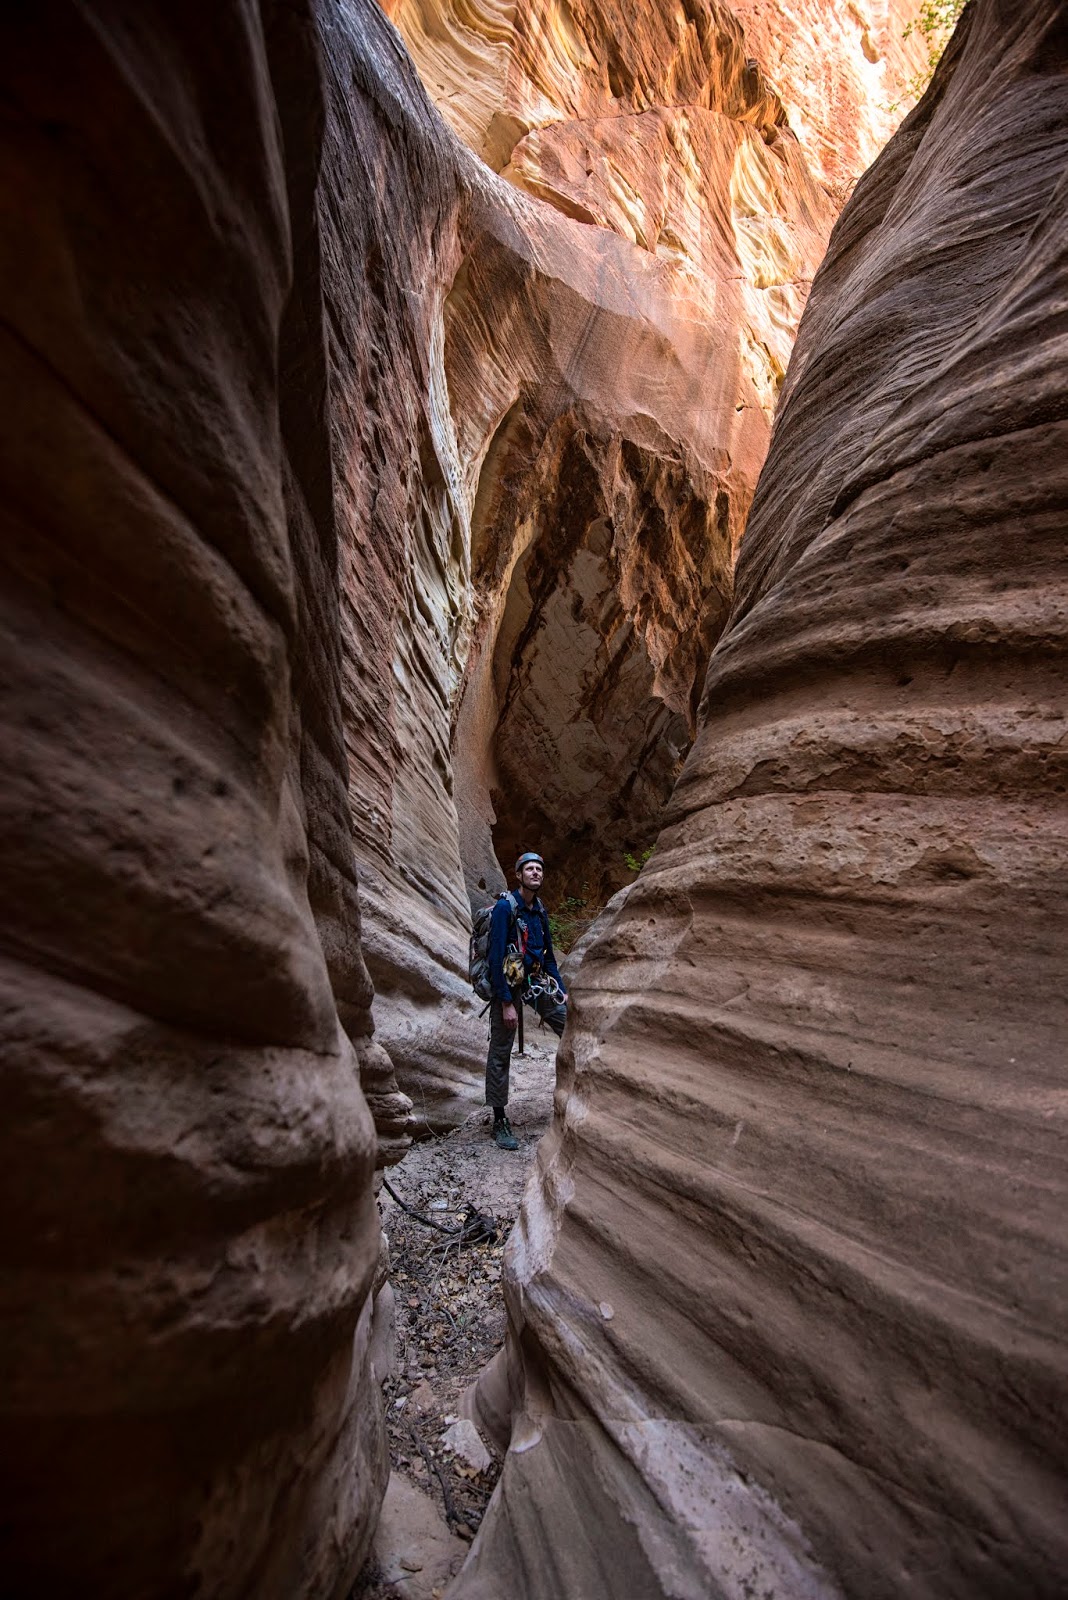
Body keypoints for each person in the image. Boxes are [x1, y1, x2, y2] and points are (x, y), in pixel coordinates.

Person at [485, 851, 568, 1150]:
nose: (535, 873)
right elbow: (495, 959)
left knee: (568, 1022)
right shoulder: (505, 909)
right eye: (529, 869)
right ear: (518, 875)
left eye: (539, 869)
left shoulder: (540, 911)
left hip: (534, 980)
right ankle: (498, 1119)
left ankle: (574, 1093)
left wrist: (561, 988)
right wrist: (506, 1002)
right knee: (501, 1049)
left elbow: (550, 957)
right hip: (508, 983)